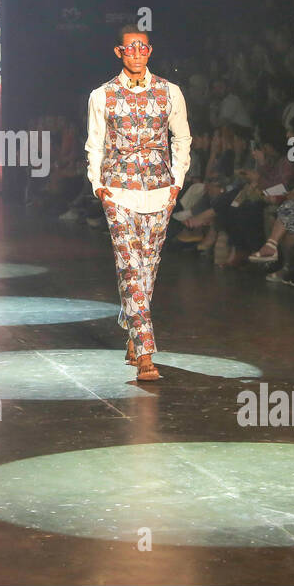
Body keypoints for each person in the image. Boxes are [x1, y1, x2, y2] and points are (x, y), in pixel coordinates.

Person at [84, 28, 191, 382]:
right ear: (118, 52)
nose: (136, 53)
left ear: (150, 51)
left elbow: (182, 136)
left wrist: (177, 181)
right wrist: (98, 185)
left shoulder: (170, 92)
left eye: (141, 47)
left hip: (161, 191)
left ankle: (131, 326)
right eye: (129, 48)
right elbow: (95, 143)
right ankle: (145, 352)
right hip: (118, 191)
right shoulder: (102, 96)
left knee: (147, 269)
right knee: (129, 268)